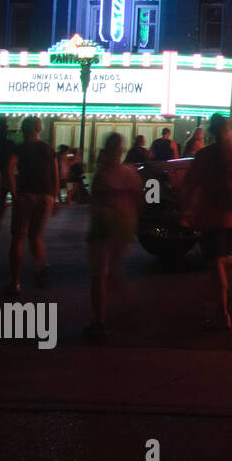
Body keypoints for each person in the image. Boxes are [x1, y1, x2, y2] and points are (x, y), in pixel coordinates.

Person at [182, 113, 232, 329]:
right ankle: (213, 303)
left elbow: (190, 185)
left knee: (216, 262)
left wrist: (186, 212)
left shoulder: (205, 156)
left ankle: (222, 311)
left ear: (211, 132)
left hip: (211, 216)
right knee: (221, 262)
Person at [85, 133, 143, 338]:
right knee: (114, 270)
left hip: (103, 225)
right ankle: (130, 302)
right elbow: (140, 199)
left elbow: (95, 199)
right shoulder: (130, 173)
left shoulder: (102, 174)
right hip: (125, 224)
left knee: (99, 275)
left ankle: (99, 321)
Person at [7, 116, 58, 296]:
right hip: (46, 195)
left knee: (18, 237)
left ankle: (15, 283)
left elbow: (9, 169)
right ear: (38, 128)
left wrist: (14, 193)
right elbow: (55, 174)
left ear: (23, 129)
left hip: (26, 194)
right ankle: (40, 271)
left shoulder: (19, 148)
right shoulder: (48, 148)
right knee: (35, 235)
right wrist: (55, 196)